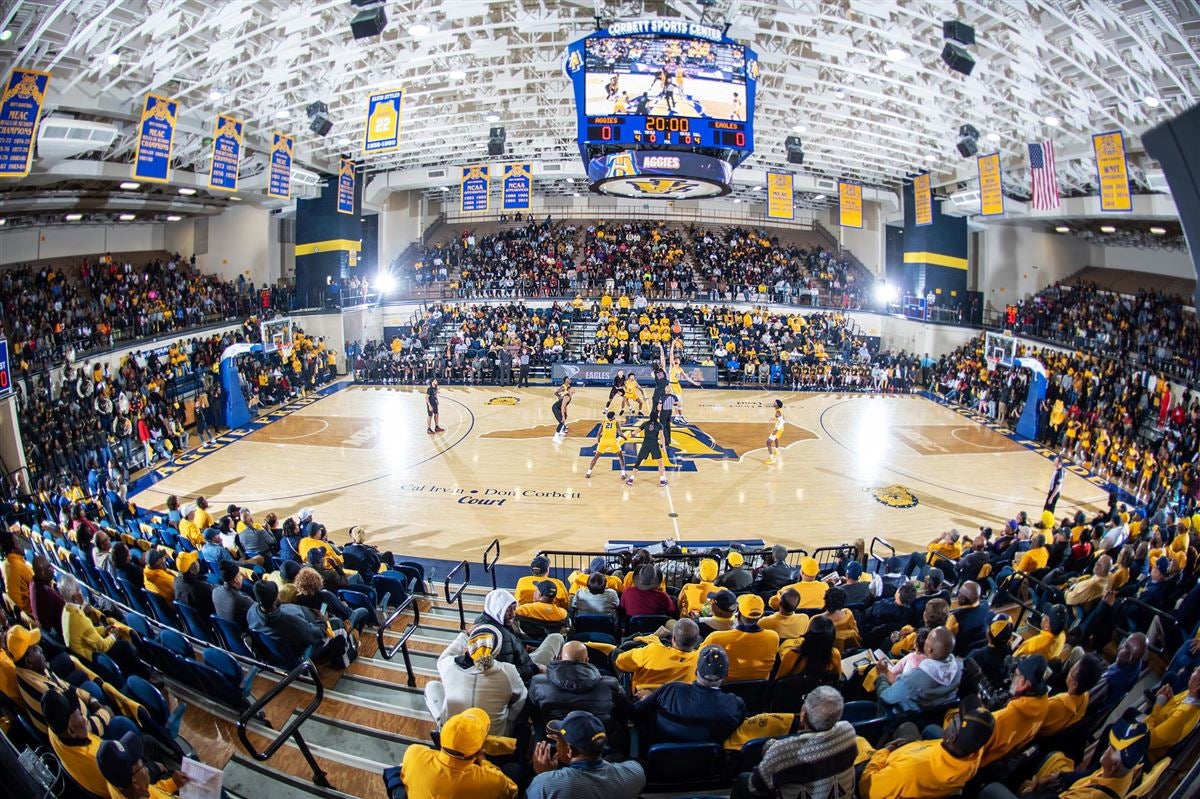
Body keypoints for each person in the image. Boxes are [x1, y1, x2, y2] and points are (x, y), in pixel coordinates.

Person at [858, 693, 996, 799]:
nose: (952, 717)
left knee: (857, 740)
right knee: (908, 727)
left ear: (953, 737)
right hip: (921, 760)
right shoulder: (975, 751)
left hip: (883, 774)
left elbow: (866, 790)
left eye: (955, 719)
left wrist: (885, 751)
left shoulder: (909, 769)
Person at [731, 686, 857, 799]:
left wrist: (770, 748)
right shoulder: (848, 731)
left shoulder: (783, 750)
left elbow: (755, 787)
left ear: (803, 716)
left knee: (743, 780)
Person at [634, 644, 746, 744]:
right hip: (707, 759)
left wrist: (649, 698)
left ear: (696, 671)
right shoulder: (735, 705)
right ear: (726, 676)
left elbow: (637, 711)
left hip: (659, 756)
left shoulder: (671, 690)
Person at [426, 625, 526, 735]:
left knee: (432, 686)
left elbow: (444, 657)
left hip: (453, 739)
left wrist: (464, 635)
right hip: (493, 741)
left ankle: (441, 727)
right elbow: (522, 698)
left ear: (469, 646)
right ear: (497, 651)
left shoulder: (449, 665)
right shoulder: (509, 671)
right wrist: (509, 717)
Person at [398, 707, 517, 799]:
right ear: (478, 751)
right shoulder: (493, 781)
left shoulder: (414, 753)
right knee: (514, 769)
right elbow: (512, 792)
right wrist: (484, 761)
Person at [528, 710, 646, 799]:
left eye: (559, 741)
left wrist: (544, 775)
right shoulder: (635, 772)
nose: (557, 745)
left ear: (569, 751)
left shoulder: (545, 785)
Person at [476, 589, 565, 683]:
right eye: (507, 610)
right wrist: (536, 669)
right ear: (497, 608)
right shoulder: (495, 635)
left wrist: (528, 647)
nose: (513, 614)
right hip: (526, 675)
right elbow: (506, 674)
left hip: (525, 660)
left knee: (555, 637)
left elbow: (516, 641)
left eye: (514, 609)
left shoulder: (495, 621)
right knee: (557, 638)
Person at [978, 654, 1051, 767]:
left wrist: (981, 710)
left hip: (981, 761)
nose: (1012, 678)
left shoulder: (1008, 715)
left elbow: (978, 738)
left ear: (1024, 683)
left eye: (1016, 675)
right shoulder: (1044, 702)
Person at [529, 640, 623, 726]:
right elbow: (625, 711)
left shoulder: (538, 683)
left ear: (559, 658)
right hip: (601, 737)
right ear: (587, 660)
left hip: (553, 736)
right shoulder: (610, 684)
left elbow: (535, 715)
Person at [876, 626, 962, 714]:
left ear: (929, 650)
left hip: (905, 718)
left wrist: (882, 675)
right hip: (939, 714)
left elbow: (885, 697)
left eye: (928, 638)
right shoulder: (960, 666)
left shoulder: (912, 678)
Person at [96, 728, 190, 799]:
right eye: (142, 765)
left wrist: (172, 784)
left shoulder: (119, 786)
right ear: (135, 782)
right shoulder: (138, 789)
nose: (147, 768)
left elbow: (152, 793)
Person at [614, 617, 701, 693]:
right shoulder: (700, 660)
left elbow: (620, 662)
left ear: (673, 638)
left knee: (615, 653)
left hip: (643, 700)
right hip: (678, 702)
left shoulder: (653, 650)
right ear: (696, 640)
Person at [704, 595, 780, 681]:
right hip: (761, 687)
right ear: (761, 615)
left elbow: (699, 662)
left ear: (739, 614)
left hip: (725, 686)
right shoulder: (773, 637)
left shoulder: (715, 638)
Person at [1145, 664, 1200, 761]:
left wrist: (1158, 705)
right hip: (1147, 728)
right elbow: (1172, 712)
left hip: (1143, 753)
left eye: (1198, 671)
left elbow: (1147, 740)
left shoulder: (1184, 714)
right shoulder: (1190, 694)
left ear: (1198, 686)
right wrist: (1169, 699)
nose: (1194, 668)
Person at [1041, 653, 1104, 737]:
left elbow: (1035, 719)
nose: (1070, 670)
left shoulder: (1058, 703)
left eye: (1072, 670)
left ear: (1075, 684)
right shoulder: (1085, 697)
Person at [626, 413, 669, 487]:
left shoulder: (645, 423)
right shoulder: (659, 425)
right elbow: (662, 437)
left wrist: (632, 433)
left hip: (645, 444)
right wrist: (663, 447)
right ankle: (662, 481)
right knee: (660, 463)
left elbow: (635, 432)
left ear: (650, 417)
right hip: (654, 445)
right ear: (657, 417)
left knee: (638, 462)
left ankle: (631, 479)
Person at [29, 555, 66, 635]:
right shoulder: (48, 593)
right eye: (50, 566)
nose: (53, 568)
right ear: (43, 573)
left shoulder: (33, 582)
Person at [585, 411, 627, 480]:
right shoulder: (616, 422)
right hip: (612, 442)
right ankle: (623, 474)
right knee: (621, 457)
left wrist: (599, 442)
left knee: (595, 457)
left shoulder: (604, 422)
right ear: (613, 416)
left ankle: (588, 472)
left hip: (603, 441)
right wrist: (625, 438)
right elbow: (620, 434)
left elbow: (598, 434)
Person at [172, 551, 214, 618]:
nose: (197, 562)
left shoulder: (176, 581)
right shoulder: (200, 588)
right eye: (195, 561)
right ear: (191, 570)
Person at [2, 528, 34, 614]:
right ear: (13, 550)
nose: (21, 546)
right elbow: (39, 587)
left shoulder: (4, 564)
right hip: (32, 611)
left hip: (22, 611)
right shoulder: (20, 567)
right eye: (18, 543)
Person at [212, 561, 254, 627]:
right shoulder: (243, 600)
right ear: (236, 579)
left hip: (227, 630)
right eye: (240, 575)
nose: (242, 578)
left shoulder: (215, 592)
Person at [765, 399, 785, 465]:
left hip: (778, 429)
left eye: (775, 403)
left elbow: (782, 422)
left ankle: (771, 459)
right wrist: (774, 418)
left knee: (768, 442)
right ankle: (776, 450)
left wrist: (776, 430)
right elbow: (783, 419)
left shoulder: (778, 412)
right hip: (781, 428)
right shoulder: (779, 410)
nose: (773, 403)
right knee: (776, 438)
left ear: (777, 405)